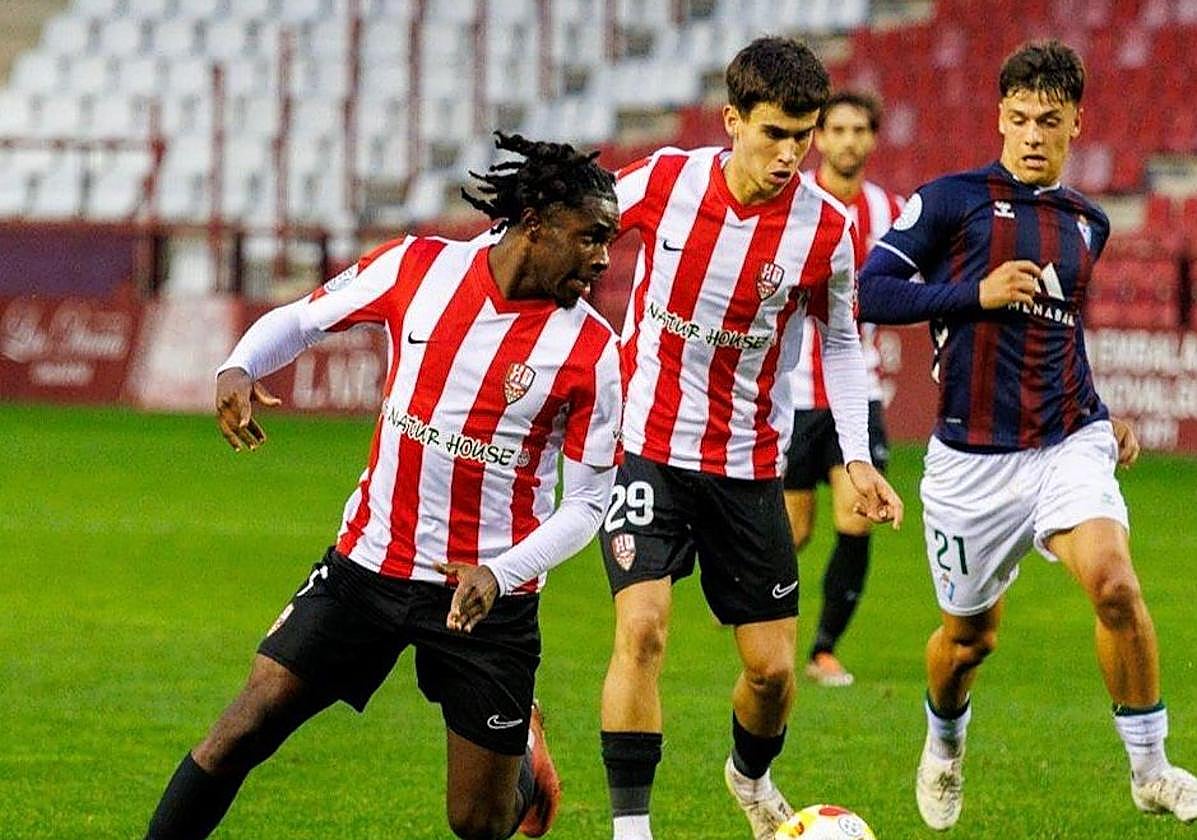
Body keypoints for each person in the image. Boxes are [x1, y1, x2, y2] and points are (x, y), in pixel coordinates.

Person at [144, 133, 625, 840]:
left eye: (608, 240)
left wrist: (501, 571)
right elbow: (302, 319)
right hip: (365, 567)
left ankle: (522, 750)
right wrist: (239, 365)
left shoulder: (592, 353)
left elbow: (586, 502)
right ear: (534, 224)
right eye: (589, 237)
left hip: (483, 597)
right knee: (243, 725)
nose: (603, 257)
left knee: (478, 822)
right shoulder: (418, 268)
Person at [858, 40, 1197, 829]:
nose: (1032, 133)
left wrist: (1101, 409)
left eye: (1048, 119)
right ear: (998, 119)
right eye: (1017, 119)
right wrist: (971, 293)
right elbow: (869, 291)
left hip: (1064, 442)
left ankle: (1150, 768)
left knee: (1113, 582)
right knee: (966, 641)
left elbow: (1059, 331)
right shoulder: (950, 200)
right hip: (970, 464)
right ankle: (943, 742)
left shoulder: (1088, 222)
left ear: (1076, 122)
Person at [597, 37, 904, 840]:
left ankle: (749, 775)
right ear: (731, 121)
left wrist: (859, 458)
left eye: (801, 137)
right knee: (642, 630)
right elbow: (579, 230)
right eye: (774, 133)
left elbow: (838, 344)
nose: (790, 154)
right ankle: (633, 831)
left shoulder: (825, 231)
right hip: (647, 448)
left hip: (745, 464)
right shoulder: (665, 180)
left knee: (769, 675)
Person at [783, 91, 906, 688]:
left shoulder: (892, 210)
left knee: (857, 521)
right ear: (819, 138)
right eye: (838, 129)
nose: (850, 140)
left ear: (873, 138)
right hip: (793, 393)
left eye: (861, 129)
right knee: (794, 531)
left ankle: (824, 650)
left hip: (861, 392)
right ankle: (763, 626)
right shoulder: (794, 202)